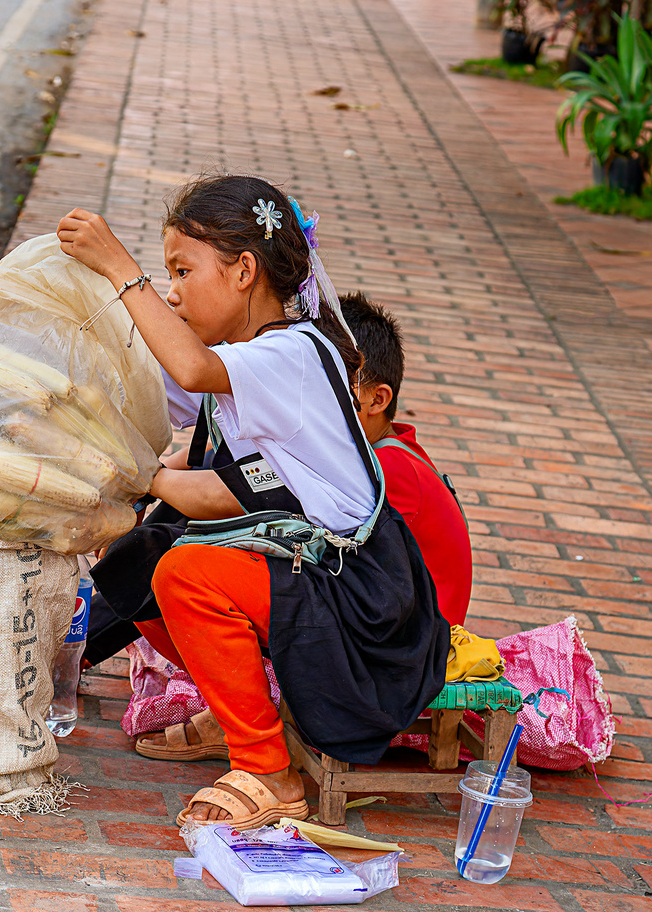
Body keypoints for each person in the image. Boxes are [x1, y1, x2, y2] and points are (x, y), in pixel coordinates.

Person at [57, 174, 449, 826]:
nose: (173, 292)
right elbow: (191, 451)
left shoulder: (294, 353)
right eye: (165, 274)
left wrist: (121, 270)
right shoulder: (240, 358)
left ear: (243, 271)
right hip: (315, 578)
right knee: (144, 557)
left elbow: (187, 371)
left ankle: (268, 771)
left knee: (186, 572)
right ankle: (239, 712)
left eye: (183, 270)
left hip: (366, 605)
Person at [340, 292, 473, 628]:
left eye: (330, 386)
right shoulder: (395, 449)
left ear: (377, 399)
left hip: (415, 651)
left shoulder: (390, 469)